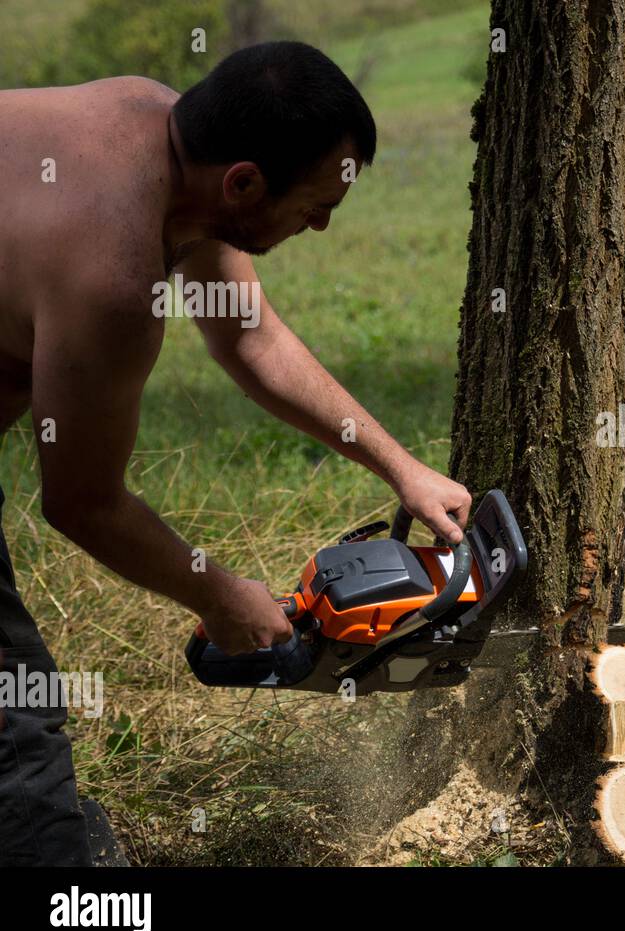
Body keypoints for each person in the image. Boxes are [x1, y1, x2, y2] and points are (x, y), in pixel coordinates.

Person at [0, 41, 472, 865]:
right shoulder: (111, 277)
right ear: (245, 183)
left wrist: (404, 469)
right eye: (316, 205)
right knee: (18, 730)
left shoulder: (162, 132)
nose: (321, 224)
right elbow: (81, 503)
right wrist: (220, 597)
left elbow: (249, 337)